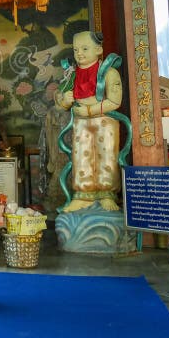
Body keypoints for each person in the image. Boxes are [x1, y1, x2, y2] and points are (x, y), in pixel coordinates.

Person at [54, 31, 124, 212]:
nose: (79, 53)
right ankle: (83, 195)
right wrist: (65, 100)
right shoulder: (72, 74)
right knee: (81, 157)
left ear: (98, 49)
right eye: (76, 49)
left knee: (105, 155)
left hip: (104, 122)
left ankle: (106, 193)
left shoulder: (108, 72)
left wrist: (90, 110)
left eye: (85, 48)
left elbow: (115, 101)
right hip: (81, 123)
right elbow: (60, 100)